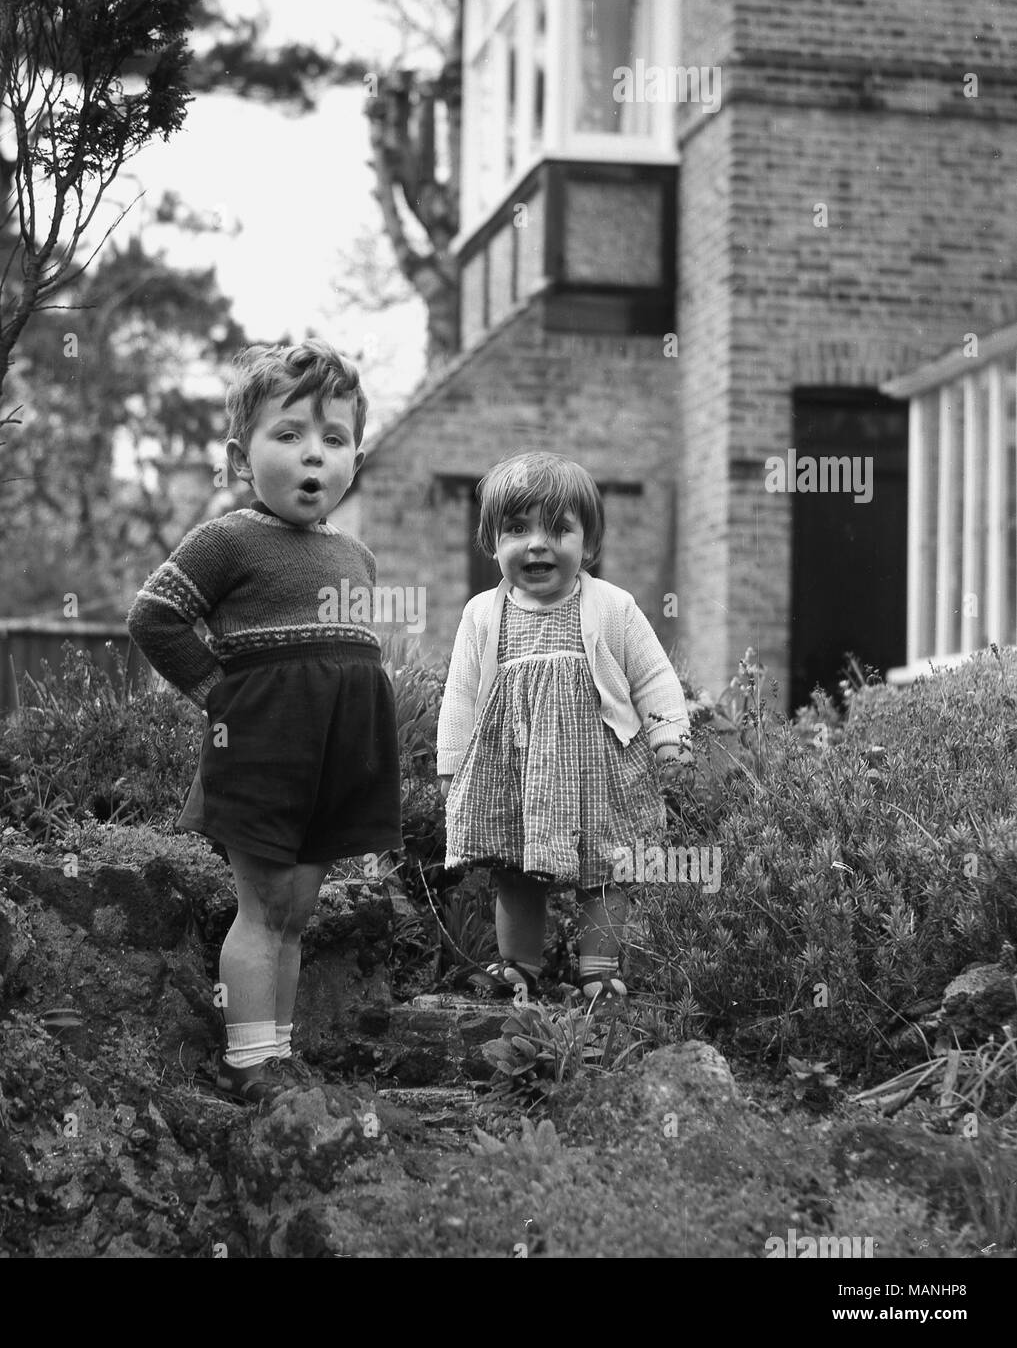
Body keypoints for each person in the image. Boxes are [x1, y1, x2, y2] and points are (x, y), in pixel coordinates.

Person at [127, 341, 402, 1104]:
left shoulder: (356, 555)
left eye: (334, 439)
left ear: (354, 457)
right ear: (241, 457)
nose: (313, 455)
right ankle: (249, 1062)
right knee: (262, 906)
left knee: (297, 911)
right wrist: (218, 695)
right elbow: (154, 617)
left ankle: (279, 1055)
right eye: (288, 435)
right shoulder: (227, 539)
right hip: (261, 747)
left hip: (333, 757)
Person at [437, 452, 691, 1004]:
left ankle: (599, 972)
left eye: (558, 530)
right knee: (515, 873)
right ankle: (519, 967)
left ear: (589, 544)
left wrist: (671, 738)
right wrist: (452, 767)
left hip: (599, 774)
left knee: (606, 871)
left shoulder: (612, 606)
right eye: (517, 529)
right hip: (515, 775)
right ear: (492, 541)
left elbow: (652, 675)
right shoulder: (483, 613)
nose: (537, 544)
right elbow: (458, 695)